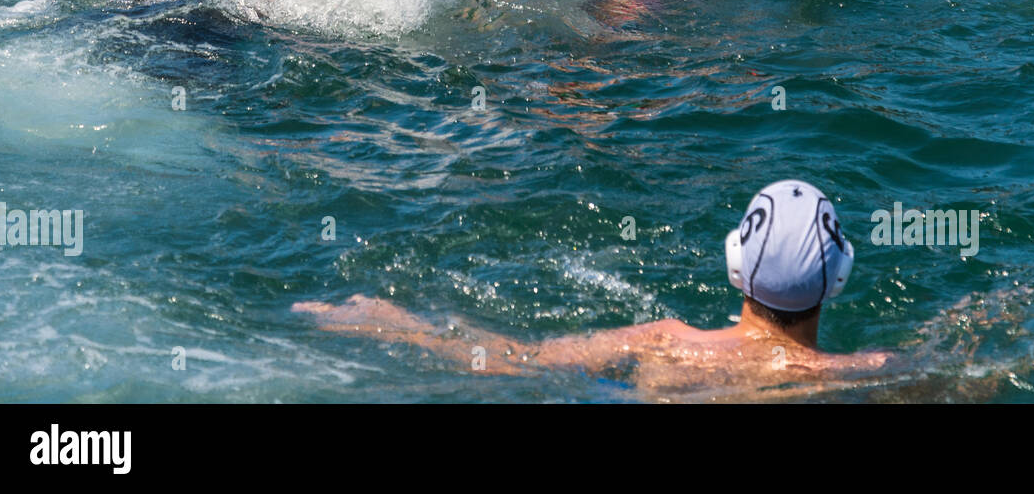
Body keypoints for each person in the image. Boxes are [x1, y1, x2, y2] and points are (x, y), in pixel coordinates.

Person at [292, 180, 895, 392]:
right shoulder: (869, 372)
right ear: (837, 276)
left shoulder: (666, 343)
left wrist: (391, 322)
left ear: (737, 263)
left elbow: (513, 362)